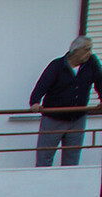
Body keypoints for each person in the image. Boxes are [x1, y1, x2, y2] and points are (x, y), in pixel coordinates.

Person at [31, 36, 100, 166]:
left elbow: (100, 82)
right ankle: (42, 179)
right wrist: (35, 102)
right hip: (53, 119)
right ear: (76, 51)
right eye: (86, 49)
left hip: (77, 118)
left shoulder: (91, 63)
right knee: (44, 156)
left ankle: (70, 179)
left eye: (90, 49)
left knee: (72, 158)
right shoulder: (57, 65)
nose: (89, 53)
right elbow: (42, 85)